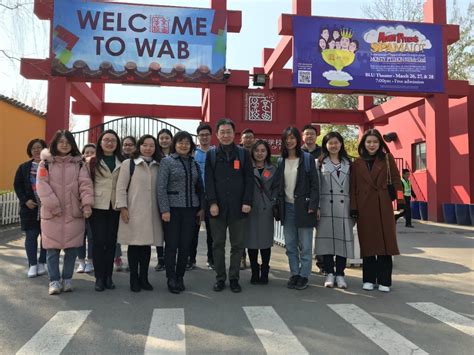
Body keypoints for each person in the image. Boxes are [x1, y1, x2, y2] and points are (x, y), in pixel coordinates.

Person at [36, 130, 93, 295]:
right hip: (52, 212)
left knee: (72, 249)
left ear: (72, 144)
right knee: (51, 250)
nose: (64, 144)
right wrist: (53, 205)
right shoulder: (45, 163)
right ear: (55, 143)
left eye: (67, 142)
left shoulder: (79, 163)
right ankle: (54, 280)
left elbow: (85, 185)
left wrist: (87, 204)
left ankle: (67, 279)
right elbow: (42, 186)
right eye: (61, 141)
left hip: (74, 212)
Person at [350, 129, 405, 293]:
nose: (371, 145)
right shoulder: (357, 163)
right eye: (368, 142)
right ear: (363, 144)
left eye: (375, 142)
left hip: (383, 205)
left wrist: (401, 202)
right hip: (364, 206)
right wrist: (353, 207)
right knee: (367, 244)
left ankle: (384, 280)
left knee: (385, 243)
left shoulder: (387, 159)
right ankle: (368, 278)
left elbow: (396, 180)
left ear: (380, 143)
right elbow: (353, 187)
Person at [205, 118, 254, 293]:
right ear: (217, 135)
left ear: (235, 134)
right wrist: (212, 202)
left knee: (237, 245)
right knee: (217, 244)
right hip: (216, 208)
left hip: (238, 208)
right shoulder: (211, 155)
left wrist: (247, 202)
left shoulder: (243, 154)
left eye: (229, 132)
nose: (226, 135)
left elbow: (249, 179)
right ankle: (220, 278)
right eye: (222, 132)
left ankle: (234, 278)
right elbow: (208, 181)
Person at [157, 131, 204, 293]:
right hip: (172, 210)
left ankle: (180, 276)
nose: (184, 145)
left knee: (185, 246)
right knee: (171, 246)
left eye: (187, 143)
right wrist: (164, 209)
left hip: (191, 210)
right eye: (180, 142)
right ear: (174, 145)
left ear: (191, 145)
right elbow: (161, 187)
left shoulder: (194, 163)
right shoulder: (167, 162)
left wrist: (200, 208)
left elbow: (199, 188)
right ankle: (171, 278)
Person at [273, 127, 319, 291]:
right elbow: (278, 185)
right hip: (287, 208)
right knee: (291, 246)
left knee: (305, 246)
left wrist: (313, 206)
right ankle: (294, 274)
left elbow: (315, 185)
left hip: (304, 208)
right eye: (287, 138)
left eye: (293, 138)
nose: (290, 141)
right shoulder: (281, 161)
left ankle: (304, 276)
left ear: (298, 140)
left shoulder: (307, 159)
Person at [116, 135, 163, 292]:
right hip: (134, 211)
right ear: (139, 146)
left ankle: (144, 277)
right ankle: (133, 279)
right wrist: (122, 207)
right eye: (145, 145)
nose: (148, 148)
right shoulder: (129, 164)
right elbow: (121, 187)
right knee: (135, 245)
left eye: (151, 145)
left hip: (152, 212)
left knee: (147, 246)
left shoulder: (158, 165)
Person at [314, 132, 354, 289]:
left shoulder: (349, 163)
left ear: (341, 144)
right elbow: (315, 187)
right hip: (326, 207)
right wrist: (316, 207)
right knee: (328, 242)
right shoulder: (319, 163)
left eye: (336, 142)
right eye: (330, 143)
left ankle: (341, 274)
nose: (333, 146)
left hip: (344, 207)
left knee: (342, 242)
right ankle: (329, 272)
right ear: (325, 145)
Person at [88, 130, 123, 292]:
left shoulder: (122, 161)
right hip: (97, 206)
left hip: (115, 206)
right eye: (106, 140)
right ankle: (99, 277)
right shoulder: (92, 161)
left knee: (111, 242)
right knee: (98, 241)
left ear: (117, 144)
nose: (110, 143)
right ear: (100, 143)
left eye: (113, 141)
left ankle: (108, 276)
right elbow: (86, 184)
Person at [14, 138, 48, 278]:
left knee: (46, 238)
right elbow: (18, 185)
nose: (36, 150)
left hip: (47, 208)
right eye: (33, 148)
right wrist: (25, 200)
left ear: (44, 150)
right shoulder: (23, 167)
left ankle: (42, 263)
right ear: (30, 150)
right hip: (30, 208)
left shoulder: (49, 165)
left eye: (39, 147)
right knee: (31, 236)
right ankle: (32, 265)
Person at [244, 140, 276, 285]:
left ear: (267, 152)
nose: (260, 153)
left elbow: (277, 188)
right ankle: (254, 271)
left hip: (266, 209)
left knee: (265, 241)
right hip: (250, 208)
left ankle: (265, 271)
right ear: (252, 152)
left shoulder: (273, 169)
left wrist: (273, 202)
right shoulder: (247, 168)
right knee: (251, 241)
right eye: (257, 150)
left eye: (263, 150)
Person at [189, 123, 215, 270]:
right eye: (201, 135)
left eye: (207, 134)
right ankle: (191, 259)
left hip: (212, 196)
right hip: (196, 195)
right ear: (198, 137)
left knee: (212, 231)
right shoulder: (193, 153)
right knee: (193, 230)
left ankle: (211, 259)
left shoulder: (216, 152)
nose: (204, 137)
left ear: (211, 136)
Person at [301, 124, 324, 274]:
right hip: (303, 198)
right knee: (303, 234)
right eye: (306, 134)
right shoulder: (298, 152)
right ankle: (302, 263)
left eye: (312, 134)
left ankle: (322, 263)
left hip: (322, 195)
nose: (309, 137)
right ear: (303, 137)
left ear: (316, 136)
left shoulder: (323, 152)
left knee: (321, 232)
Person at [114, 136, 136, 272]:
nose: (127, 147)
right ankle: (117, 257)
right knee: (117, 232)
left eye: (130, 145)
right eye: (125, 144)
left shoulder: (138, 161)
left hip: (134, 200)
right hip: (119, 199)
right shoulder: (117, 160)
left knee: (132, 232)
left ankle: (132, 261)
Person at [154, 129, 173, 272]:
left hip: (173, 197)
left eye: (167, 137)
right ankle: (161, 259)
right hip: (156, 195)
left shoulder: (176, 155)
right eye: (162, 138)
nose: (164, 140)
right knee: (159, 229)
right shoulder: (155, 155)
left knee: (171, 230)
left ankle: (171, 258)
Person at [77, 143, 96, 274]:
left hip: (94, 205)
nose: (89, 154)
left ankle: (90, 261)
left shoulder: (98, 167)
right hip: (78, 205)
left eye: (92, 152)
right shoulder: (77, 166)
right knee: (80, 235)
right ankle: (81, 261)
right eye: (86, 152)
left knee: (92, 235)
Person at [239, 128, 256, 270]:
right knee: (241, 229)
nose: (248, 139)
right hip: (242, 197)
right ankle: (242, 258)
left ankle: (254, 259)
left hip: (258, 197)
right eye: (246, 137)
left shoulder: (259, 153)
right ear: (241, 140)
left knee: (254, 229)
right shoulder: (238, 155)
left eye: (251, 137)